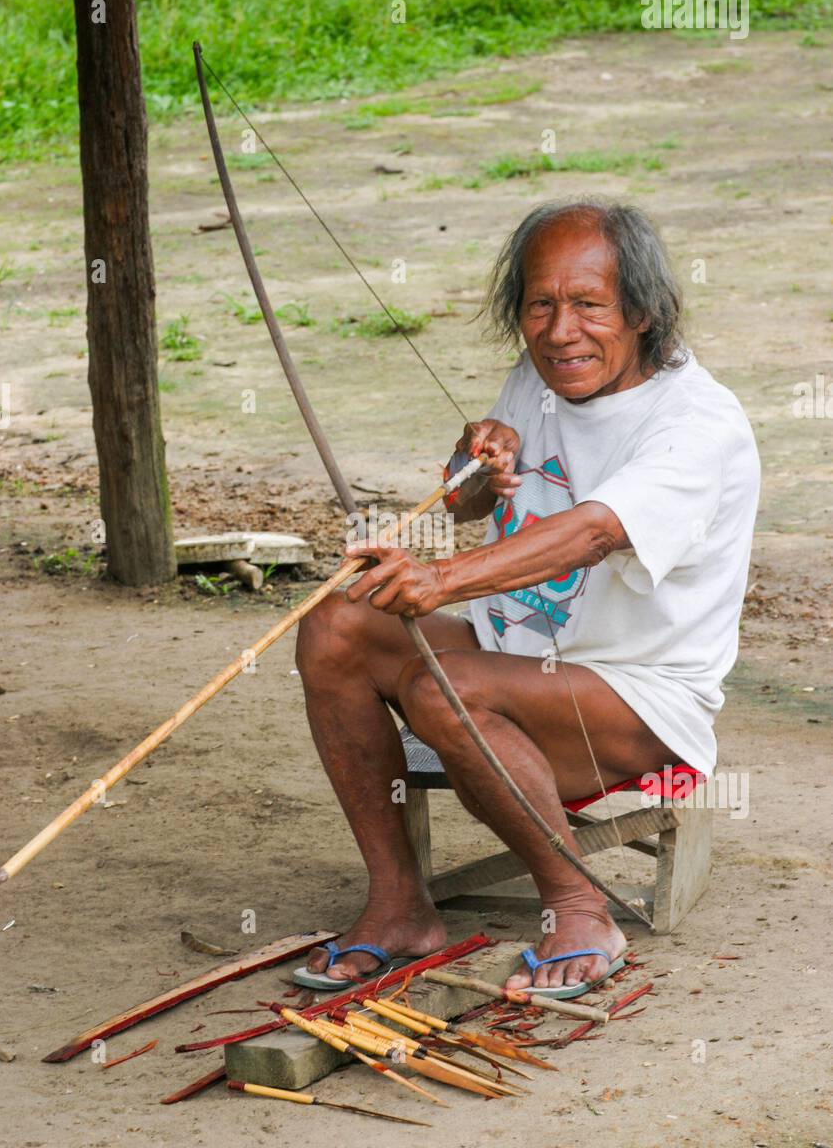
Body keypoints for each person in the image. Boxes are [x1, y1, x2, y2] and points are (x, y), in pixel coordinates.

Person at [293, 198, 761, 996]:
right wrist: (474, 461)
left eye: (587, 305)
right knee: (335, 626)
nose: (559, 330)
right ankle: (400, 904)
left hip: (638, 702)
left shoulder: (697, 423)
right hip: (520, 662)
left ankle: (578, 905)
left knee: (450, 690)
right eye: (540, 305)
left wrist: (436, 579)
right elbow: (469, 505)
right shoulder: (540, 376)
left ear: (643, 311)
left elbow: (592, 533)